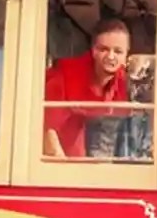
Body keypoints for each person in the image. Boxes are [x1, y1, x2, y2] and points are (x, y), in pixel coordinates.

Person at [43, 18, 131, 158]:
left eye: (118, 51)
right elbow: (47, 129)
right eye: (104, 49)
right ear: (93, 51)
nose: (111, 56)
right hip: (63, 165)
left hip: (100, 165)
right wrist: (61, 167)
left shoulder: (125, 82)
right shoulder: (64, 74)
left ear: (126, 55)